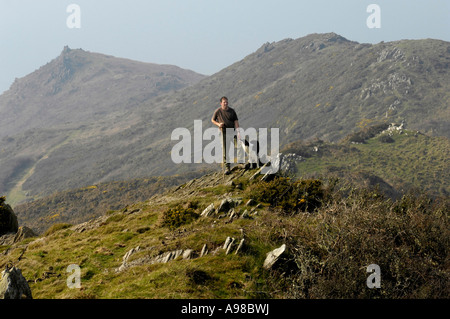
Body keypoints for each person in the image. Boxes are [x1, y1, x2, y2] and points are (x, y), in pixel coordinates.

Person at [211, 96, 241, 175]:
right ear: (221, 103)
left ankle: (241, 163)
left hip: (232, 131)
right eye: (224, 102)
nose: (226, 103)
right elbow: (212, 120)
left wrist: (238, 132)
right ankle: (227, 168)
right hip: (223, 132)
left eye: (226, 102)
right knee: (225, 150)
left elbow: (236, 122)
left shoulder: (232, 111)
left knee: (239, 146)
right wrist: (218, 124)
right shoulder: (218, 111)